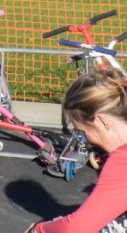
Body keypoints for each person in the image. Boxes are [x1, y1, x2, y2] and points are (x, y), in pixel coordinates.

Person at [26, 69, 127, 233]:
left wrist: (39, 230)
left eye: (84, 132)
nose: (88, 141)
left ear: (101, 121)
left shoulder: (122, 162)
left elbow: (76, 228)